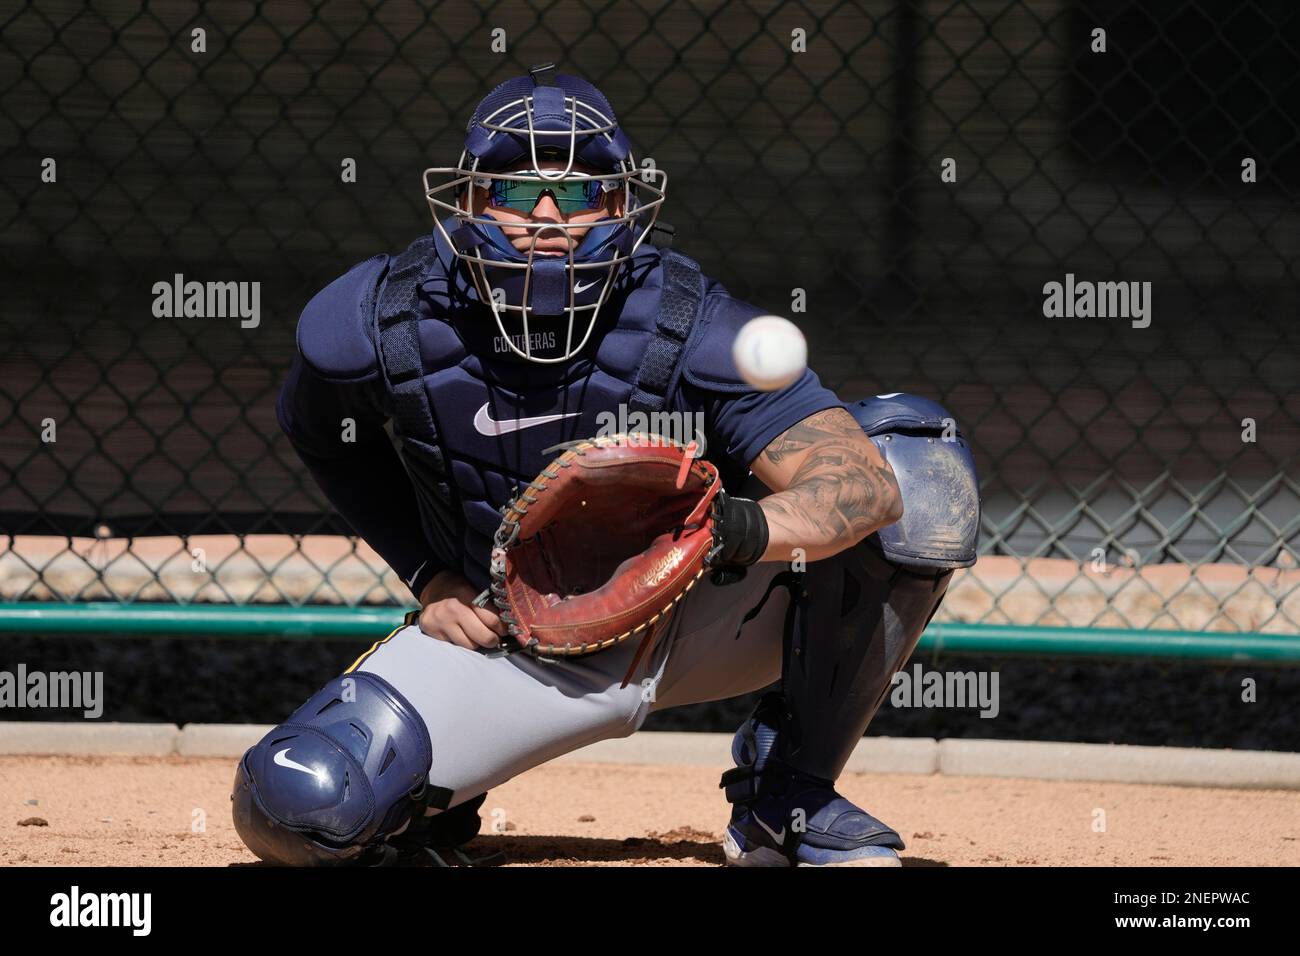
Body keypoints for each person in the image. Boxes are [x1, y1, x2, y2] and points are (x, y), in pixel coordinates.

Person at [231, 65, 978, 867]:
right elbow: (320, 434)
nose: (547, 218)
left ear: (623, 205)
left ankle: (787, 796)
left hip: (690, 613)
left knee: (920, 474)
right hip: (505, 640)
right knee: (298, 802)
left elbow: (861, 486)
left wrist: (735, 528)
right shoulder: (374, 319)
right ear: (472, 199)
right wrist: (427, 576)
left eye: (582, 190)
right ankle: (424, 799)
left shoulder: (690, 320)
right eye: (516, 192)